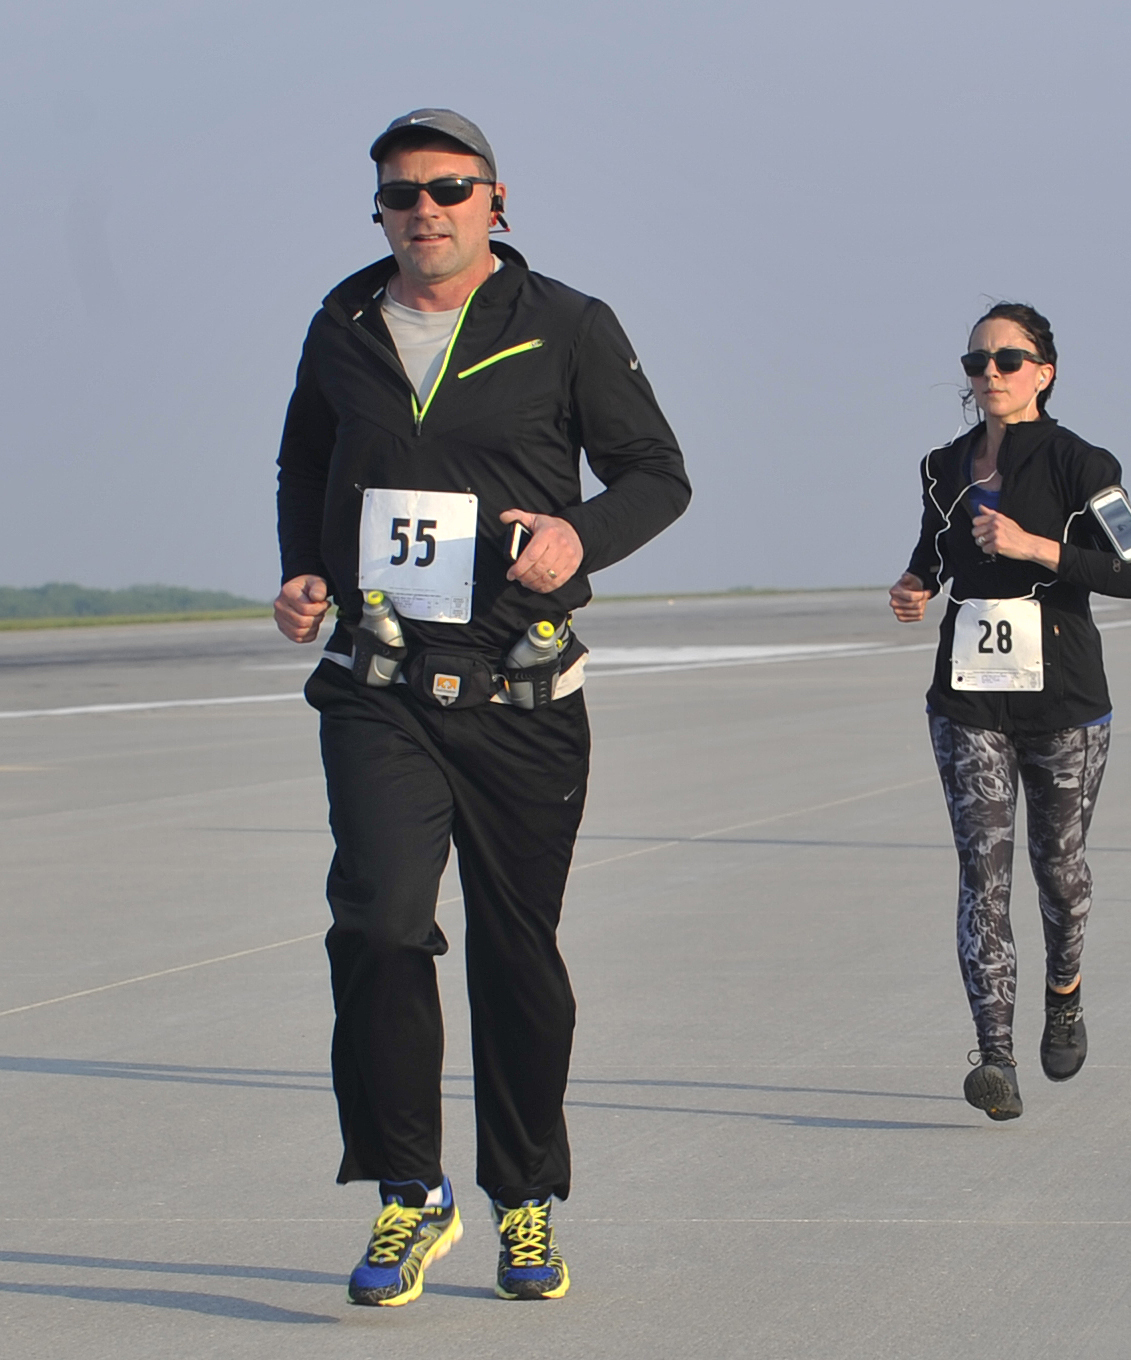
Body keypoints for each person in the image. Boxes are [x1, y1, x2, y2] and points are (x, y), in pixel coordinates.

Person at [273, 109, 691, 1306]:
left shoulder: (565, 324)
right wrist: (305, 568)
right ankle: (412, 1191)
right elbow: (306, 460)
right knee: (379, 921)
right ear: (382, 211)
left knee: (516, 958)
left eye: (449, 189)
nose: (425, 211)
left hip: (521, 694)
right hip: (381, 686)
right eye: (400, 195)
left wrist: (579, 534)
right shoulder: (343, 325)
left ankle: (525, 1200)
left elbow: (658, 471)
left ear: (496, 199)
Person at [888, 303, 1131, 1122]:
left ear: (1044, 370)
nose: (990, 375)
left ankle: (1065, 992)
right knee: (983, 874)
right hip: (968, 695)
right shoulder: (943, 466)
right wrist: (915, 587)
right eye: (977, 364)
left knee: (1061, 875)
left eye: (1008, 360)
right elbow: (933, 549)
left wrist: (1034, 547)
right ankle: (994, 1053)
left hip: (1065, 699)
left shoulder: (1083, 463)